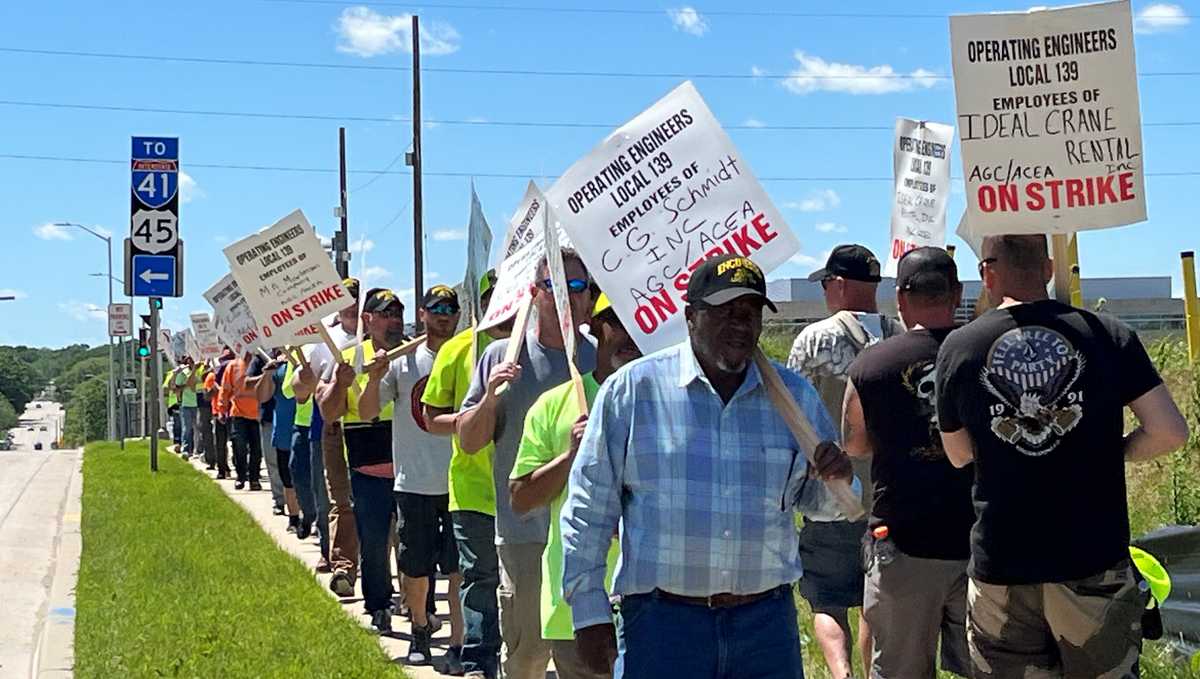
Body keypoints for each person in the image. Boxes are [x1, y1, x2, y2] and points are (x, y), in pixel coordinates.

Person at [562, 254, 857, 679]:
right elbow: (589, 508)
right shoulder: (633, 392)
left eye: (751, 311)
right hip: (663, 627)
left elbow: (821, 507)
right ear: (690, 317)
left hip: (765, 628)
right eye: (725, 310)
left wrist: (837, 480)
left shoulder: (795, 399)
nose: (741, 323)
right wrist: (588, 613)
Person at [935, 235, 1189, 678]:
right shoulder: (1110, 335)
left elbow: (957, 456)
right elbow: (1169, 432)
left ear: (987, 273)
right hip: (1091, 560)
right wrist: (1117, 451)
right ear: (1050, 269)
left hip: (1004, 562)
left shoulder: (959, 348)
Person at [458, 250, 597, 679]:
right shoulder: (503, 355)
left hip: (592, 537)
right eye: (553, 285)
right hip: (525, 534)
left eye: (576, 287)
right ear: (533, 294)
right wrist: (490, 396)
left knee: (587, 660)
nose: (566, 297)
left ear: (589, 298)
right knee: (528, 657)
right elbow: (468, 440)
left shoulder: (602, 357)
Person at [841, 248, 973, 678]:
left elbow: (854, 443)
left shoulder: (871, 364)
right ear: (956, 294)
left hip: (904, 543)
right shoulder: (984, 353)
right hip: (982, 541)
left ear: (900, 298)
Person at [509, 293, 640, 679]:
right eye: (617, 321)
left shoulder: (668, 400)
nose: (629, 334)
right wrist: (570, 457)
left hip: (654, 600)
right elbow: (520, 498)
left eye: (639, 321)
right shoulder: (555, 405)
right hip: (578, 605)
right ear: (597, 328)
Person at [787, 244, 902, 678]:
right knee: (875, 594)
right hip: (891, 493)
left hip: (830, 493)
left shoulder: (814, 340)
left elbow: (793, 411)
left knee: (827, 598)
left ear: (837, 284)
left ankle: (840, 673)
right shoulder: (901, 333)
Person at [360, 285, 467, 669]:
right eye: (435, 307)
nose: (443, 314)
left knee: (458, 569)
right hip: (414, 481)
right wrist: (374, 377)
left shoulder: (469, 356)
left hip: (460, 482)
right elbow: (367, 410)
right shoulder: (403, 361)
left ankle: (458, 641)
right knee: (415, 566)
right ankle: (420, 629)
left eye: (450, 308)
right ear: (422, 314)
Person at [422, 270, 507, 679]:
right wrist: (473, 417)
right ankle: (478, 659)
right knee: (479, 578)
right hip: (473, 487)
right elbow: (431, 417)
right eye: (494, 295)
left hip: (529, 487)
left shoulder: (546, 346)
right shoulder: (458, 349)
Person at [319, 287, 407, 633]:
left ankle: (420, 606)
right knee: (373, 541)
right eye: (385, 314)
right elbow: (329, 411)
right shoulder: (351, 356)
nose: (394, 321)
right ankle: (379, 604)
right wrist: (340, 385)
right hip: (367, 464)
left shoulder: (414, 351)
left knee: (413, 542)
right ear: (367, 320)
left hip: (412, 464)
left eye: (397, 313)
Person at [295, 277, 362, 596]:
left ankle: (389, 574)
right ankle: (344, 566)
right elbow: (299, 391)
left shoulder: (377, 335)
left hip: (376, 429)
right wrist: (307, 381)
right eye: (346, 298)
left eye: (357, 297)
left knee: (380, 505)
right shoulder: (323, 341)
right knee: (341, 500)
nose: (352, 303)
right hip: (335, 431)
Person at [218, 350, 274, 491]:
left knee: (256, 449)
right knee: (239, 446)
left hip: (258, 414)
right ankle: (241, 476)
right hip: (238, 413)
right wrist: (222, 408)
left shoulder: (264, 361)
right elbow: (225, 389)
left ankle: (254, 479)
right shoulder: (233, 365)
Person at [271, 350, 301, 532]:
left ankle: (312, 517)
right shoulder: (278, 366)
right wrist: (269, 372)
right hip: (284, 426)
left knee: (310, 477)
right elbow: (263, 394)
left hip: (308, 424)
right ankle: (294, 517)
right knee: (287, 476)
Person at [209, 349, 235, 479]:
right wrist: (214, 388)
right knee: (220, 442)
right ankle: (222, 468)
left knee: (236, 442)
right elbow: (206, 396)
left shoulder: (238, 371)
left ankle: (240, 467)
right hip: (218, 411)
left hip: (235, 411)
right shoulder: (213, 376)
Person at [174, 357, 201, 459]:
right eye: (191, 360)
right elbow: (177, 387)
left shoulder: (201, 371)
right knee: (187, 428)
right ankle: (186, 450)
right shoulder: (183, 374)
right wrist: (186, 385)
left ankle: (198, 450)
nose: (192, 362)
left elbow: (195, 386)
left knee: (198, 429)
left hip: (198, 404)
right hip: (186, 404)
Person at [194, 361, 215, 469]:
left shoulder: (215, 359)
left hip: (217, 401)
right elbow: (201, 378)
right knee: (206, 431)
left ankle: (220, 461)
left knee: (217, 433)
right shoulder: (198, 365)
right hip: (203, 401)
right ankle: (210, 459)